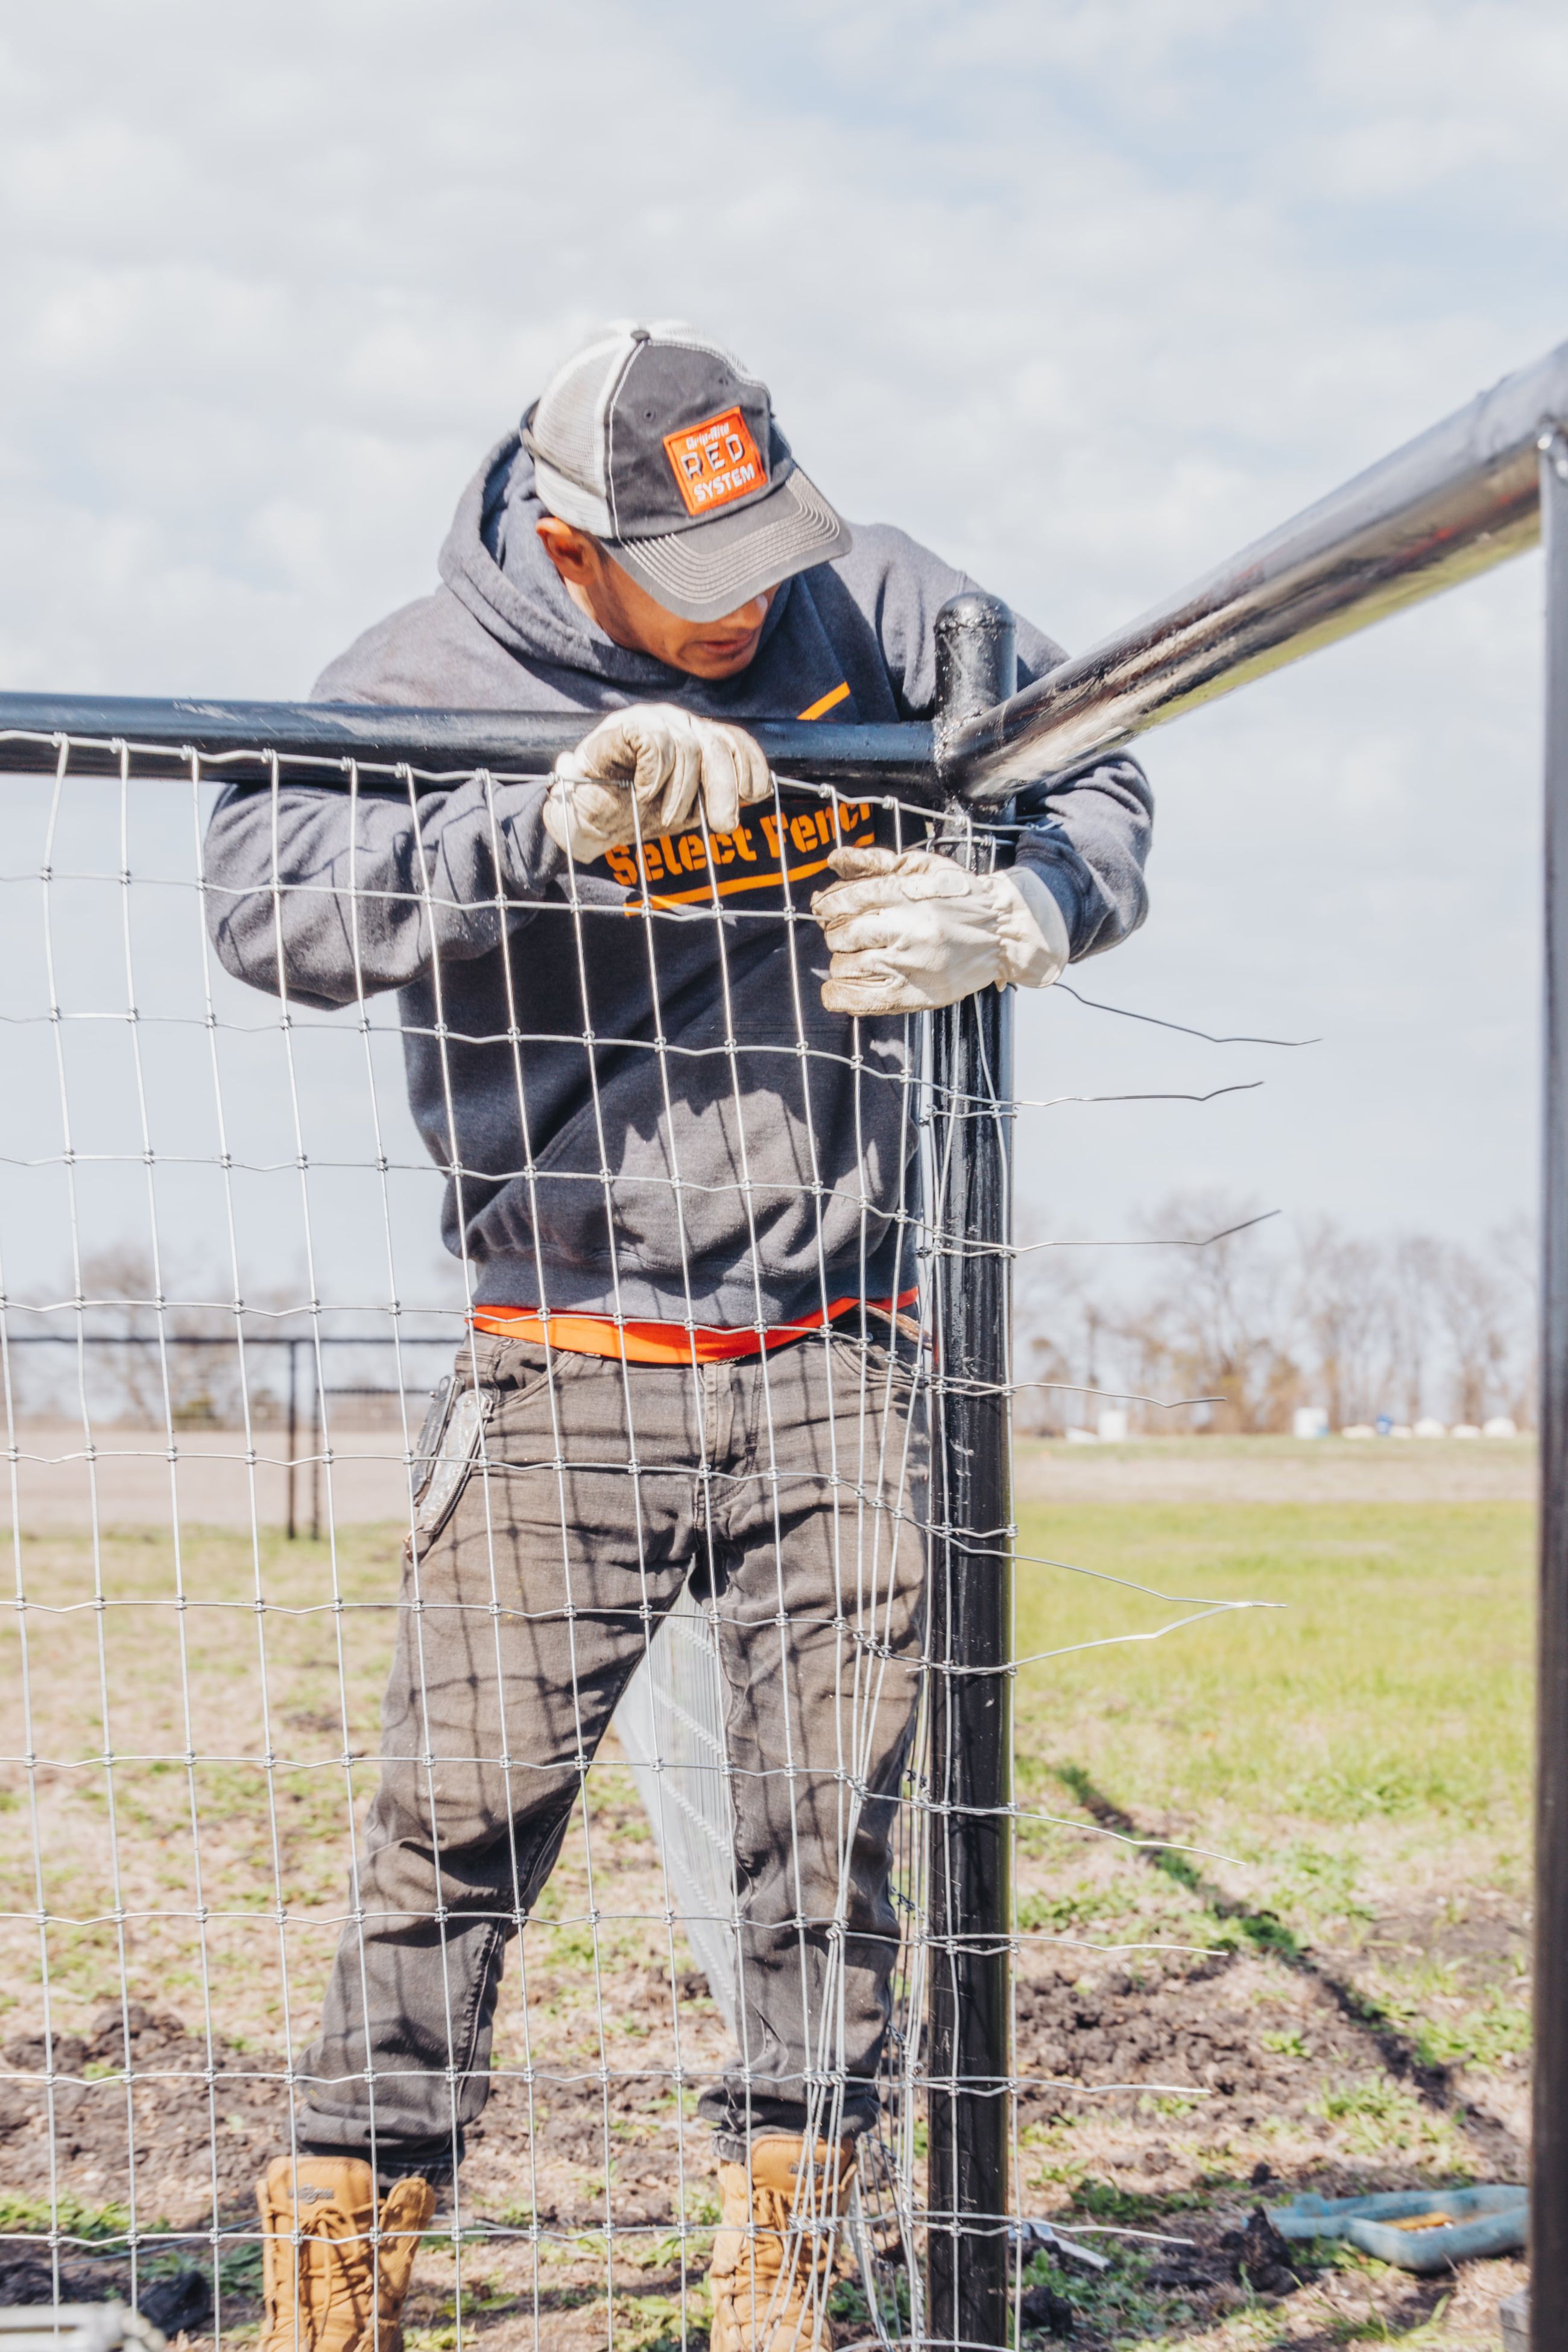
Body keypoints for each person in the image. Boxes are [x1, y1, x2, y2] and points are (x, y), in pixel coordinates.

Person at [204, 320, 1152, 2352]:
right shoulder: (419, 679)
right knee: (449, 1834)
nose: (746, 619)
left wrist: (1038, 908)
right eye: (693, 588)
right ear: (571, 548)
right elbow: (262, 901)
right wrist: (536, 831)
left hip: (846, 1348)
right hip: (568, 1355)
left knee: (836, 1836)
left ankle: (786, 2268)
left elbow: (1107, 750)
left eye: (762, 561)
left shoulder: (881, 603)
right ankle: (339, 2274)